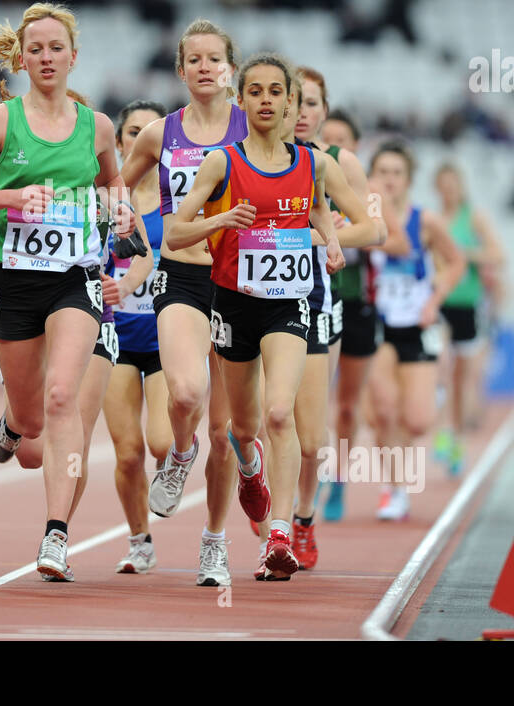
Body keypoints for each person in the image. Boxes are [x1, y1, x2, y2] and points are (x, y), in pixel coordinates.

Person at [167, 53, 380, 579]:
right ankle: (250, 468)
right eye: (255, 91)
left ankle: (279, 534)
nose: (265, 100)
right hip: (233, 303)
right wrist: (222, 219)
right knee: (244, 426)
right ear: (242, 101)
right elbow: (174, 233)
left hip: (290, 303)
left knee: (280, 414)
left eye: (275, 92)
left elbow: (368, 227)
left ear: (290, 102)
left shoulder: (316, 164)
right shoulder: (222, 162)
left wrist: (326, 238)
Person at [0, 2, 133, 581]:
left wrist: (120, 212)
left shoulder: (96, 125)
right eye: (37, 49)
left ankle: (55, 535)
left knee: (60, 399)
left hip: (75, 281)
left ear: (74, 57)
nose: (47, 58)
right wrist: (9, 199)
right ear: (21, 58)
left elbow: (113, 180)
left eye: (57, 48)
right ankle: (10, 421)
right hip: (16, 282)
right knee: (30, 421)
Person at [246, 72, 400, 571]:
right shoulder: (244, 155)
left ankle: (303, 519)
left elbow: (372, 232)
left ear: (322, 109)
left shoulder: (337, 163)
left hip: (315, 303)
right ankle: (277, 523)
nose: (302, 112)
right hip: (251, 302)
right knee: (261, 418)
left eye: (311, 103)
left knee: (311, 436)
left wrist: (321, 238)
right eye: (295, 102)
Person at [118, 18, 246, 587]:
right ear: (179, 69)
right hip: (184, 277)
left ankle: (214, 543)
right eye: (193, 59)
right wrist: (123, 224)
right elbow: (114, 186)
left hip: (243, 285)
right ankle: (178, 454)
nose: (203, 68)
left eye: (214, 59)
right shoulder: (160, 134)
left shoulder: (253, 126)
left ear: (231, 68)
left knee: (228, 433)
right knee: (188, 393)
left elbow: (304, 178)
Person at [316, 108, 411, 525]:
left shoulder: (368, 190)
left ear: (353, 148)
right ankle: (308, 473)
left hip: (357, 301)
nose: (334, 146)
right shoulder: (301, 171)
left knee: (347, 406)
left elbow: (396, 243)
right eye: (328, 137)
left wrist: (348, 233)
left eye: (342, 140)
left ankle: (338, 478)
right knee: (311, 400)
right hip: (316, 295)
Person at [366, 141, 466, 521]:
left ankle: (432, 394)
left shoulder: (425, 221)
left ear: (408, 179)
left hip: (416, 324)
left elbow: (456, 263)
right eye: (382, 172)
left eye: (397, 173)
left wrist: (434, 301)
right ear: (371, 177)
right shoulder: (361, 214)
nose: (389, 180)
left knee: (419, 420)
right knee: (384, 410)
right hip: (378, 324)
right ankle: (394, 488)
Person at [103, 100, 171, 573]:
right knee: (128, 453)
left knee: (162, 443)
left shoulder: (180, 197)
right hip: (116, 338)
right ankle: (139, 539)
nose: (140, 138)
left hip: (168, 339)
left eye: (150, 131)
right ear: (122, 142)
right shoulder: (104, 198)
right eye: (132, 130)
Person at [433, 162, 505, 475]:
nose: (449, 190)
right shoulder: (432, 220)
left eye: (453, 185)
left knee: (461, 378)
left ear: (461, 187)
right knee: (440, 366)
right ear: (437, 187)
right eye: (443, 185)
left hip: (466, 304)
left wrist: (465, 254)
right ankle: (441, 431)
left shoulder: (474, 217)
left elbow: (499, 255)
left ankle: (456, 439)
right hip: (438, 302)